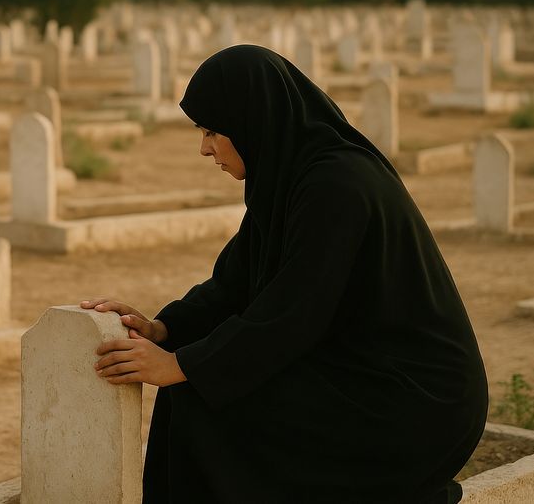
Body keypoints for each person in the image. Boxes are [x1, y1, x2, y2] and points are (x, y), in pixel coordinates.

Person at [84, 44, 488, 503]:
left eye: (214, 131)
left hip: (416, 401)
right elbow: (233, 285)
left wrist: (182, 365)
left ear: (252, 119)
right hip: (358, 371)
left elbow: (294, 312)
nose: (204, 148)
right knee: (195, 387)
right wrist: (164, 329)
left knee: (203, 395)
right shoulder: (289, 176)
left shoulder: (338, 183)